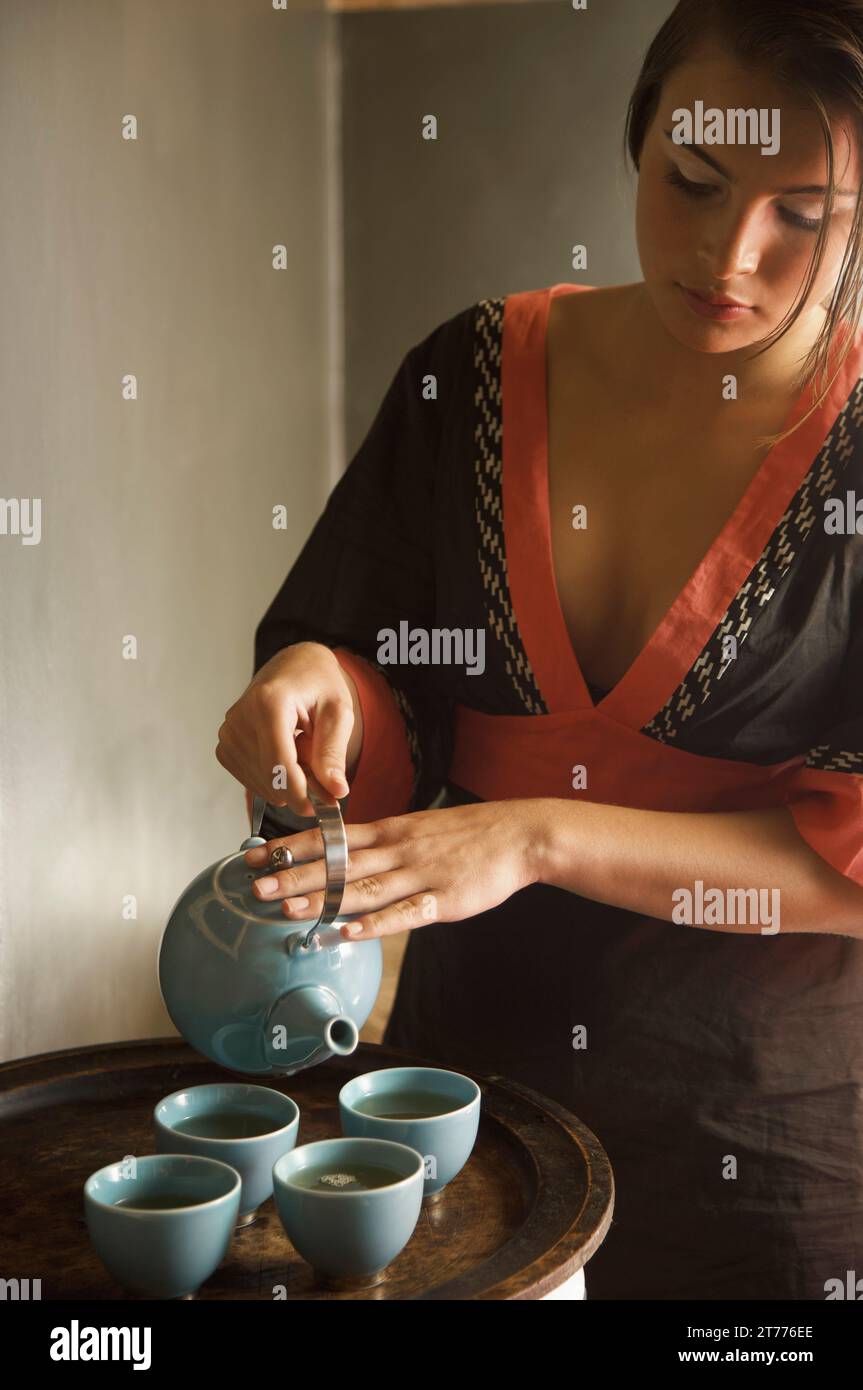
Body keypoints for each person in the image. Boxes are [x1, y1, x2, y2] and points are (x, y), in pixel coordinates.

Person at [216, 0, 863, 1299]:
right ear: (640, 135)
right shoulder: (468, 374)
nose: (729, 250)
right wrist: (313, 685)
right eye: (694, 178)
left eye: (805, 214)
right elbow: (375, 655)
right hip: (455, 1110)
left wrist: (532, 834)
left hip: (766, 1144)